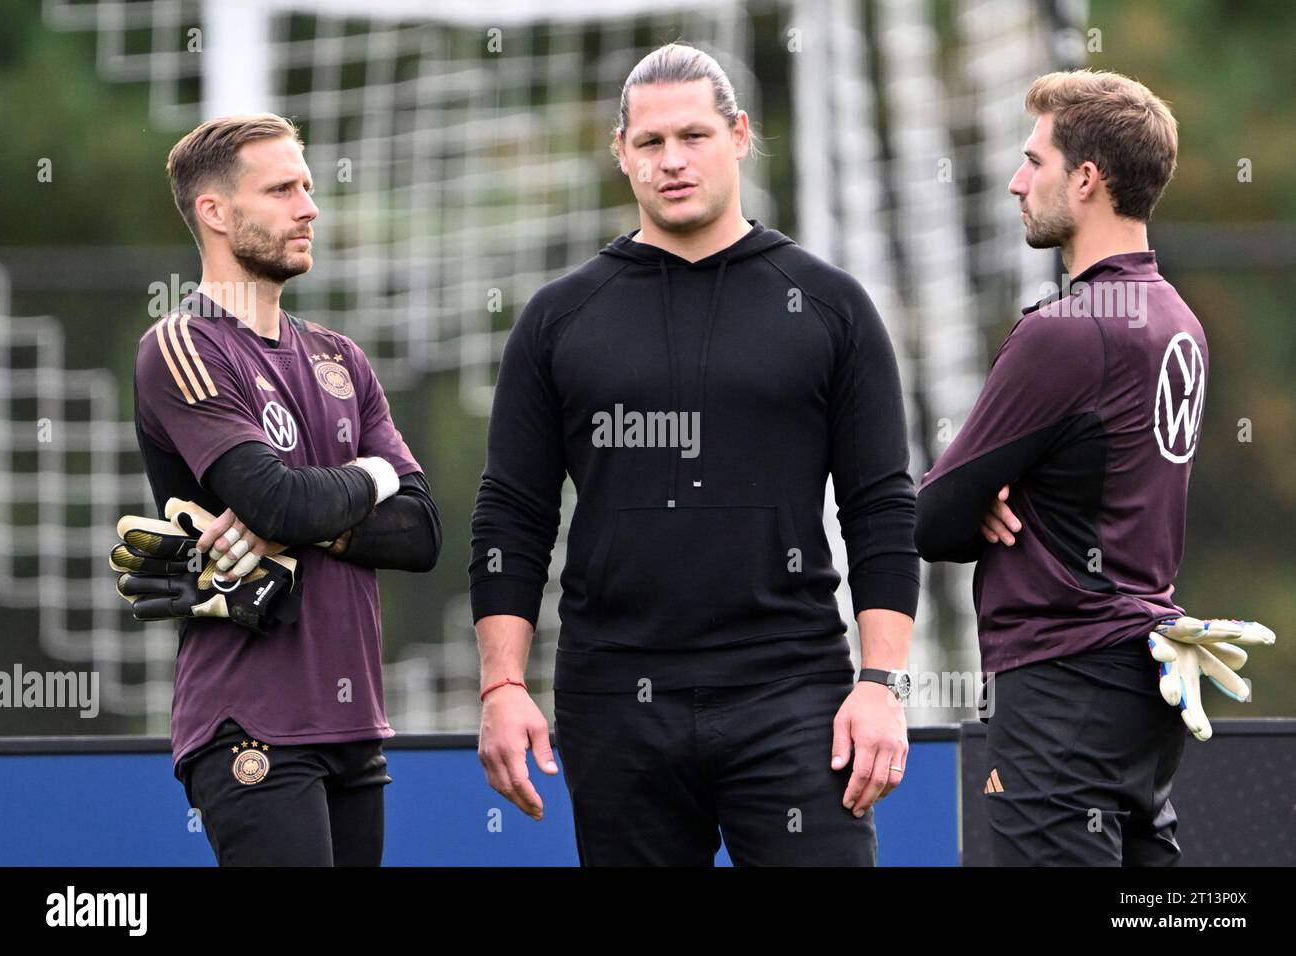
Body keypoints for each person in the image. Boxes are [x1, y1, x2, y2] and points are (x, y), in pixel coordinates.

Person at [469, 43, 918, 866]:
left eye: (694, 136)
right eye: (650, 142)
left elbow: (883, 507)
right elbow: (511, 515)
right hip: (615, 697)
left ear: (739, 135)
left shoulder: (831, 306)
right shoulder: (559, 318)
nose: (671, 160)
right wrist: (502, 684)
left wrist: (882, 684)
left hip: (793, 691)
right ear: (621, 152)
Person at [123, 113, 441, 866]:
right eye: (282, 190)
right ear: (215, 211)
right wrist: (375, 476)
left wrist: (307, 511)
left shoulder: (341, 357)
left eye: (307, 186)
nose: (310, 208)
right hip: (250, 721)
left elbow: (422, 531)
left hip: (355, 724)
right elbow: (274, 503)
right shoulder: (182, 344)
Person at [915, 69, 1204, 865]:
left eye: (1034, 161)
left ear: (1085, 179)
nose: (1017, 182)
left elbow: (934, 521)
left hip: (1062, 685)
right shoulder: (1178, 319)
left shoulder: (1067, 332)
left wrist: (978, 493)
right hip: (1144, 680)